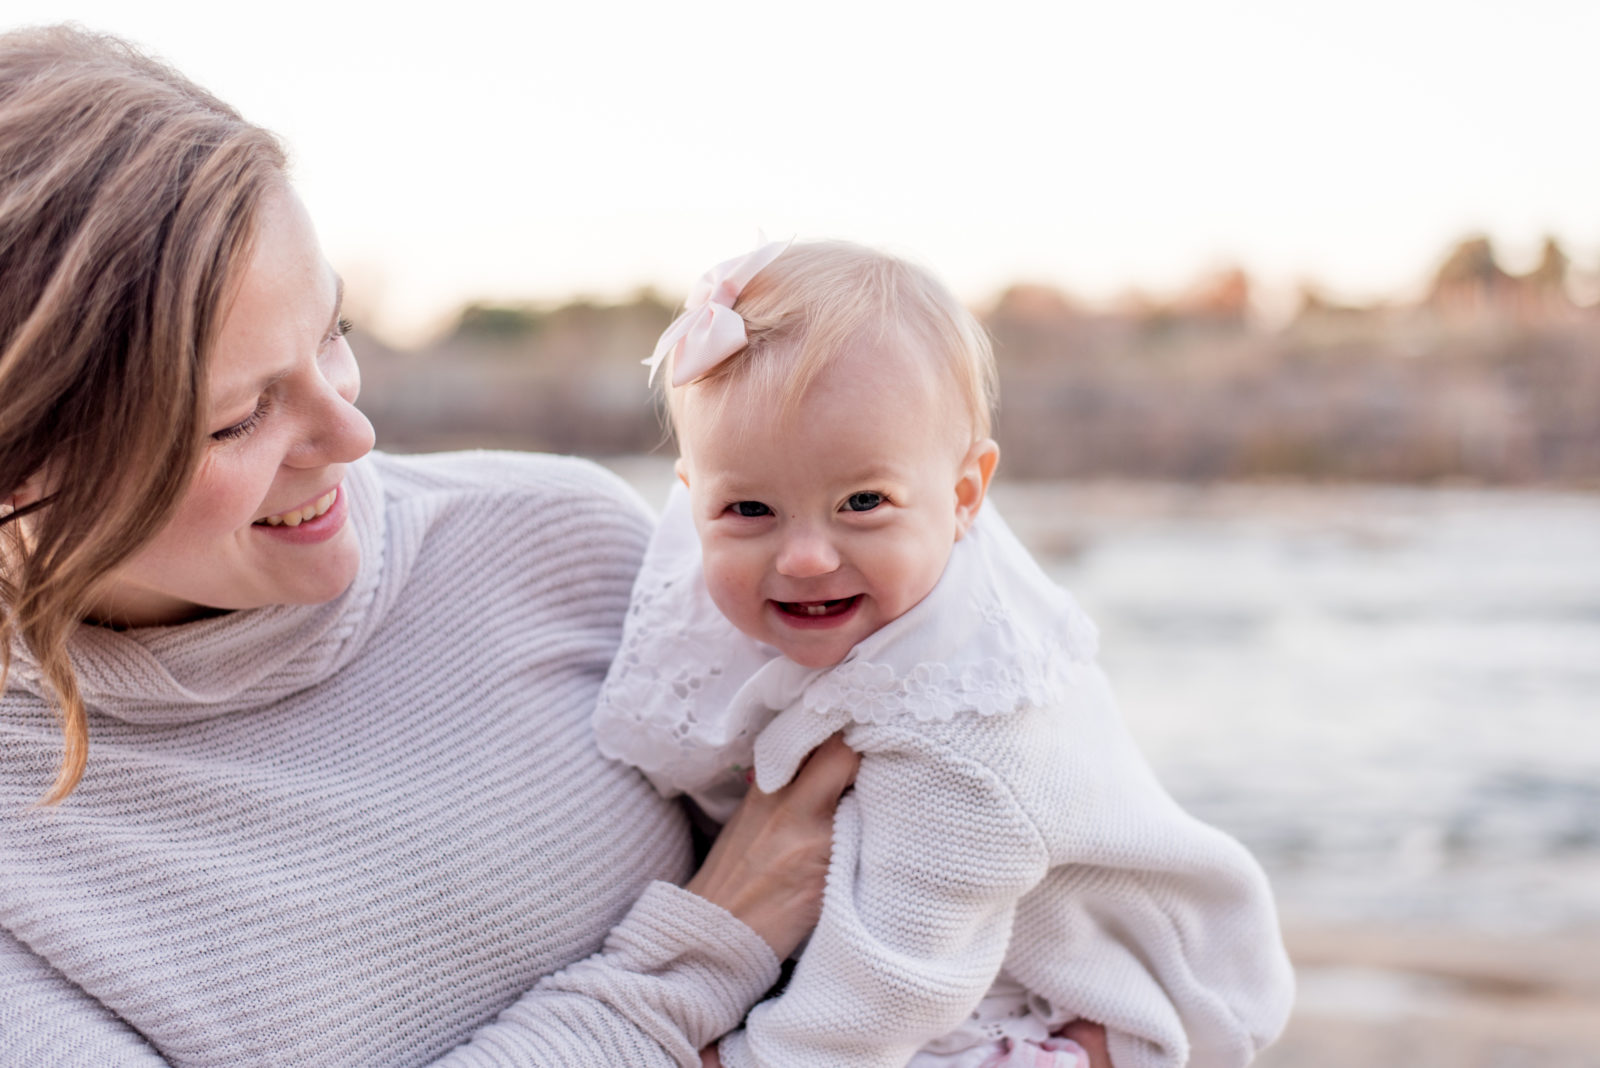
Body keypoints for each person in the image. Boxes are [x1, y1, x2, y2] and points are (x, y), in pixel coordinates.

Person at [0, 26, 866, 1066]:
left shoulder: (558, 543)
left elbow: (978, 804)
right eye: (238, 419)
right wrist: (702, 951)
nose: (351, 437)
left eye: (331, 333)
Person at [593, 240, 1297, 1068]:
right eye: (749, 509)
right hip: (950, 949)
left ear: (964, 495)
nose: (806, 556)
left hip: (1103, 999)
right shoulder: (798, 590)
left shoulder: (967, 728)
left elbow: (891, 988)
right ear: (692, 499)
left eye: (863, 503)